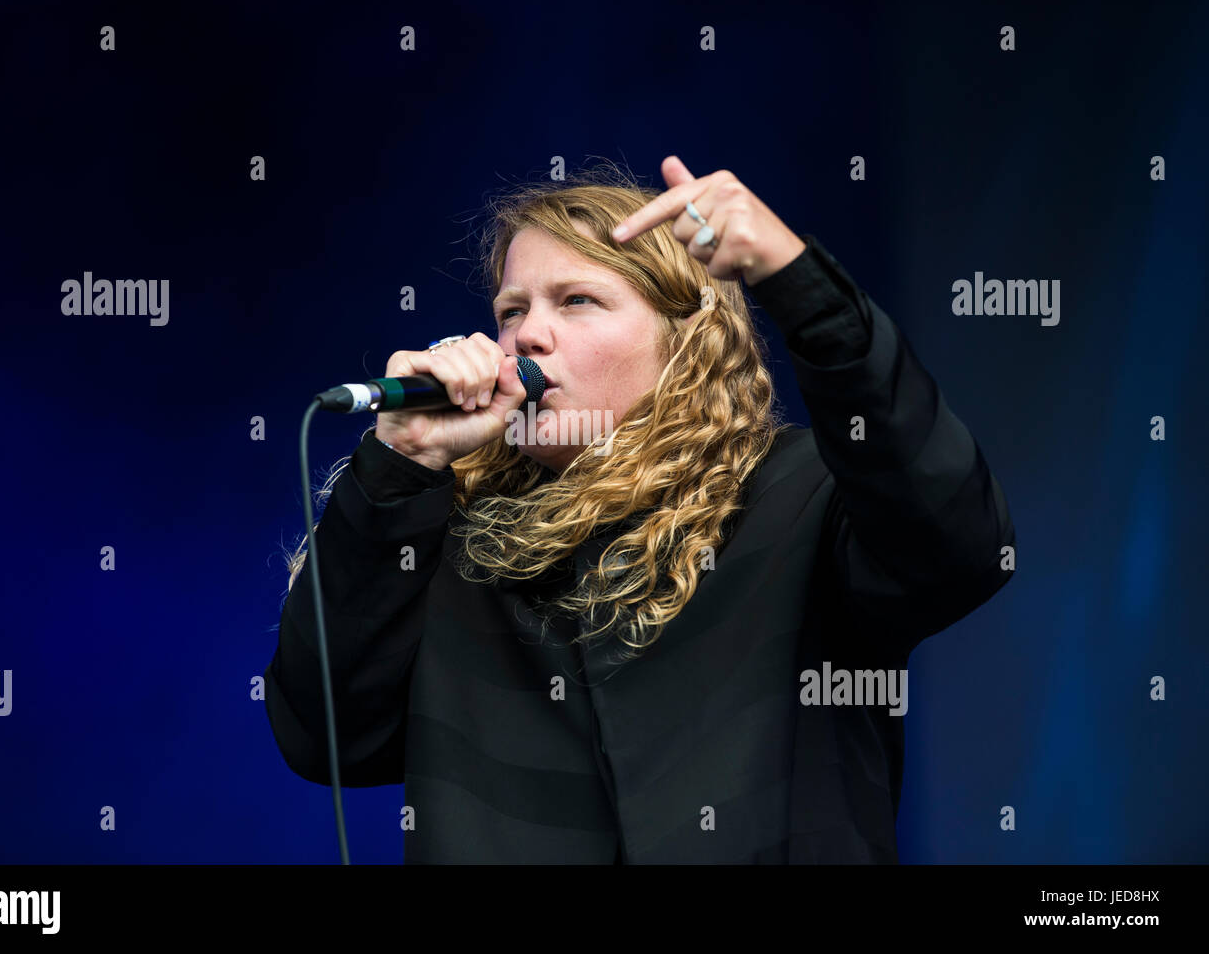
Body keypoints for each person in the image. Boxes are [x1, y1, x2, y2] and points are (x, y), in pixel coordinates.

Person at [263, 156, 1016, 863]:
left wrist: (801, 283)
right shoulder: (446, 547)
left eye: (577, 300)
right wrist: (403, 464)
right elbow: (326, 735)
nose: (527, 333)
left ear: (684, 339)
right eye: (511, 309)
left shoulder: (801, 497)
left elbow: (956, 542)